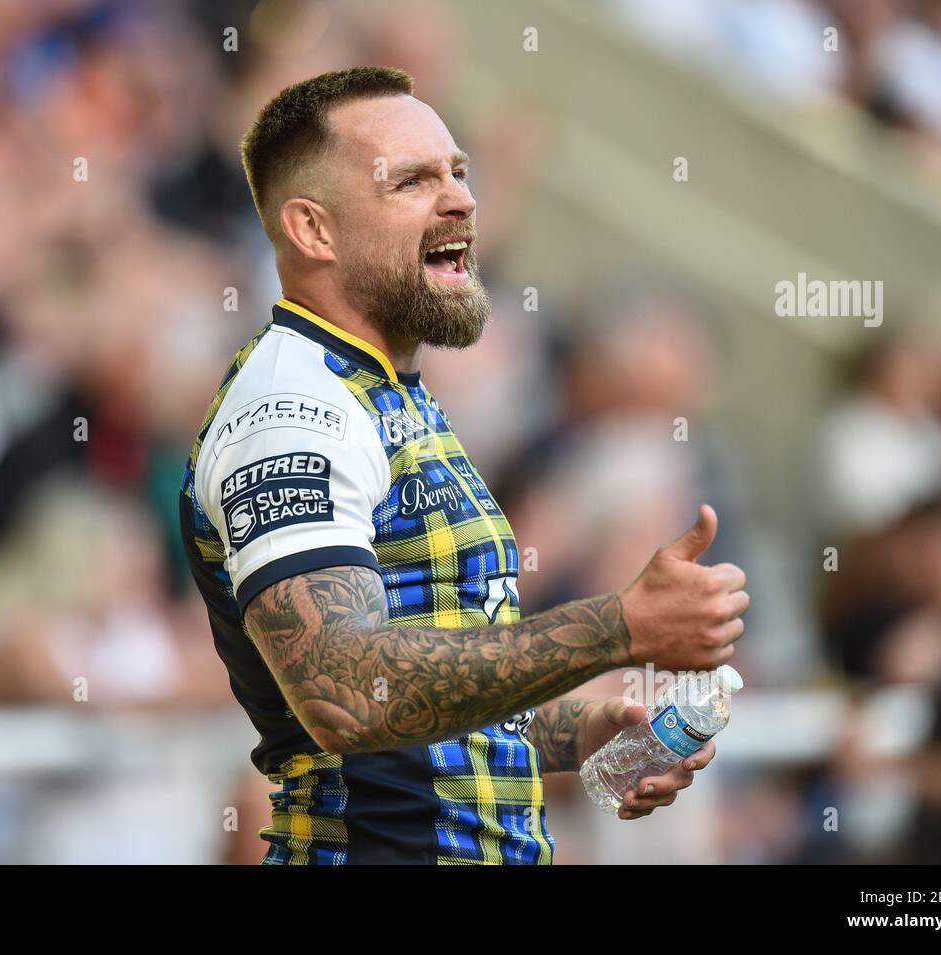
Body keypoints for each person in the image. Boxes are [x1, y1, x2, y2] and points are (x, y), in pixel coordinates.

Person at [179, 67, 749, 864]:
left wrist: (577, 731)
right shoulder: (290, 409)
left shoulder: (396, 395)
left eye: (459, 171)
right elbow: (343, 690)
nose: (461, 200)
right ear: (314, 230)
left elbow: (428, 692)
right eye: (411, 181)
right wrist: (615, 628)